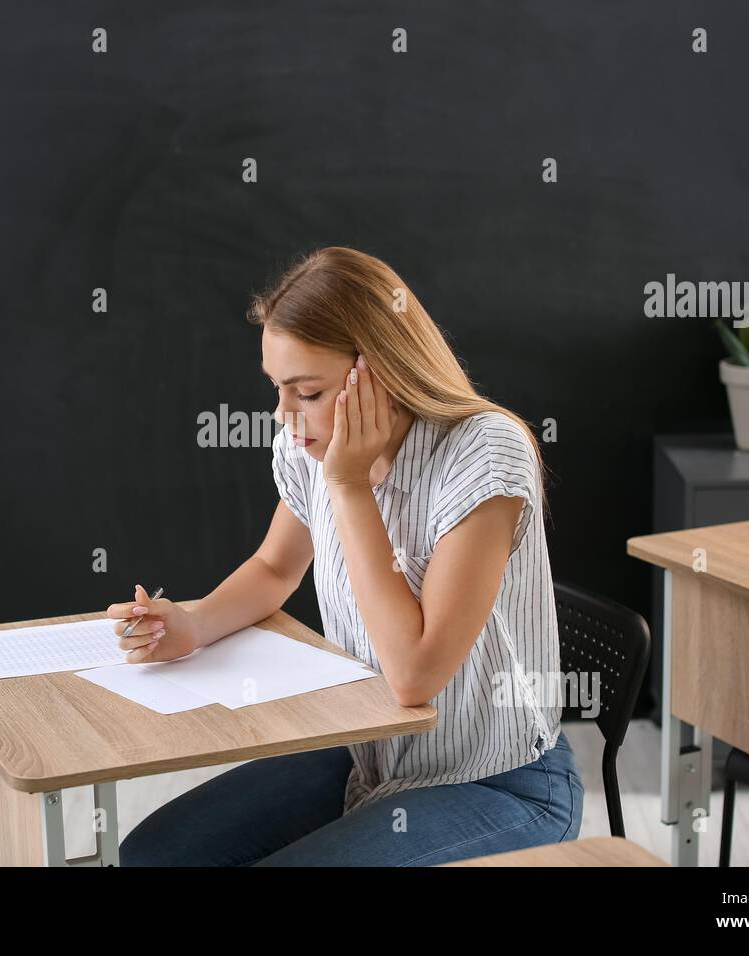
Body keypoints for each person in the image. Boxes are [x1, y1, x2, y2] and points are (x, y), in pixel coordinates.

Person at [107, 246, 582, 865]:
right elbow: (276, 567)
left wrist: (350, 486)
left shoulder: (483, 453)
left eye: (306, 391)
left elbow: (414, 676)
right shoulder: (310, 441)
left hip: (501, 783)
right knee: (156, 855)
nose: (284, 415)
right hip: (367, 753)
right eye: (277, 388)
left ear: (378, 373)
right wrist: (193, 623)